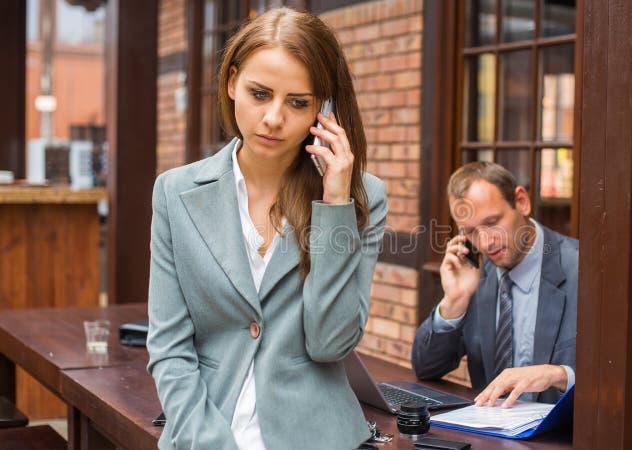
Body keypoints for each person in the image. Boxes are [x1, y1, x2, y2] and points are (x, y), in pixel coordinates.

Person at [146, 7, 387, 449]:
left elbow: (330, 343)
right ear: (232, 81)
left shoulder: (361, 197)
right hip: (206, 434)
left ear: (324, 108)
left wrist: (334, 203)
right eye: (260, 94)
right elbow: (169, 349)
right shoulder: (175, 193)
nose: (274, 118)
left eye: (298, 102)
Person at [411, 162, 578, 407]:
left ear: (521, 201)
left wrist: (560, 375)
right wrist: (454, 301)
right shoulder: (474, 275)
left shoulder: (585, 269)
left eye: (491, 222)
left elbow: (625, 374)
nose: (486, 243)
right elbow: (426, 368)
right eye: (471, 232)